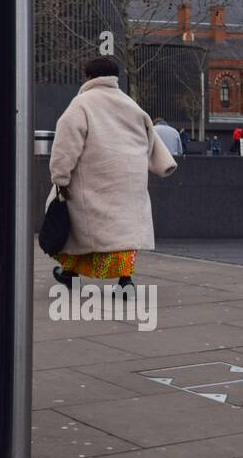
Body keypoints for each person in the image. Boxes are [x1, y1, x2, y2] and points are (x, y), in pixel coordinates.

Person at [48, 57, 178, 292]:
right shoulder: (130, 104)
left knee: (82, 231)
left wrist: (60, 178)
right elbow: (150, 136)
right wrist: (162, 164)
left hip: (94, 178)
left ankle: (71, 272)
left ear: (88, 77)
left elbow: (66, 144)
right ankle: (125, 281)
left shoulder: (81, 104)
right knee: (124, 233)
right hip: (129, 180)